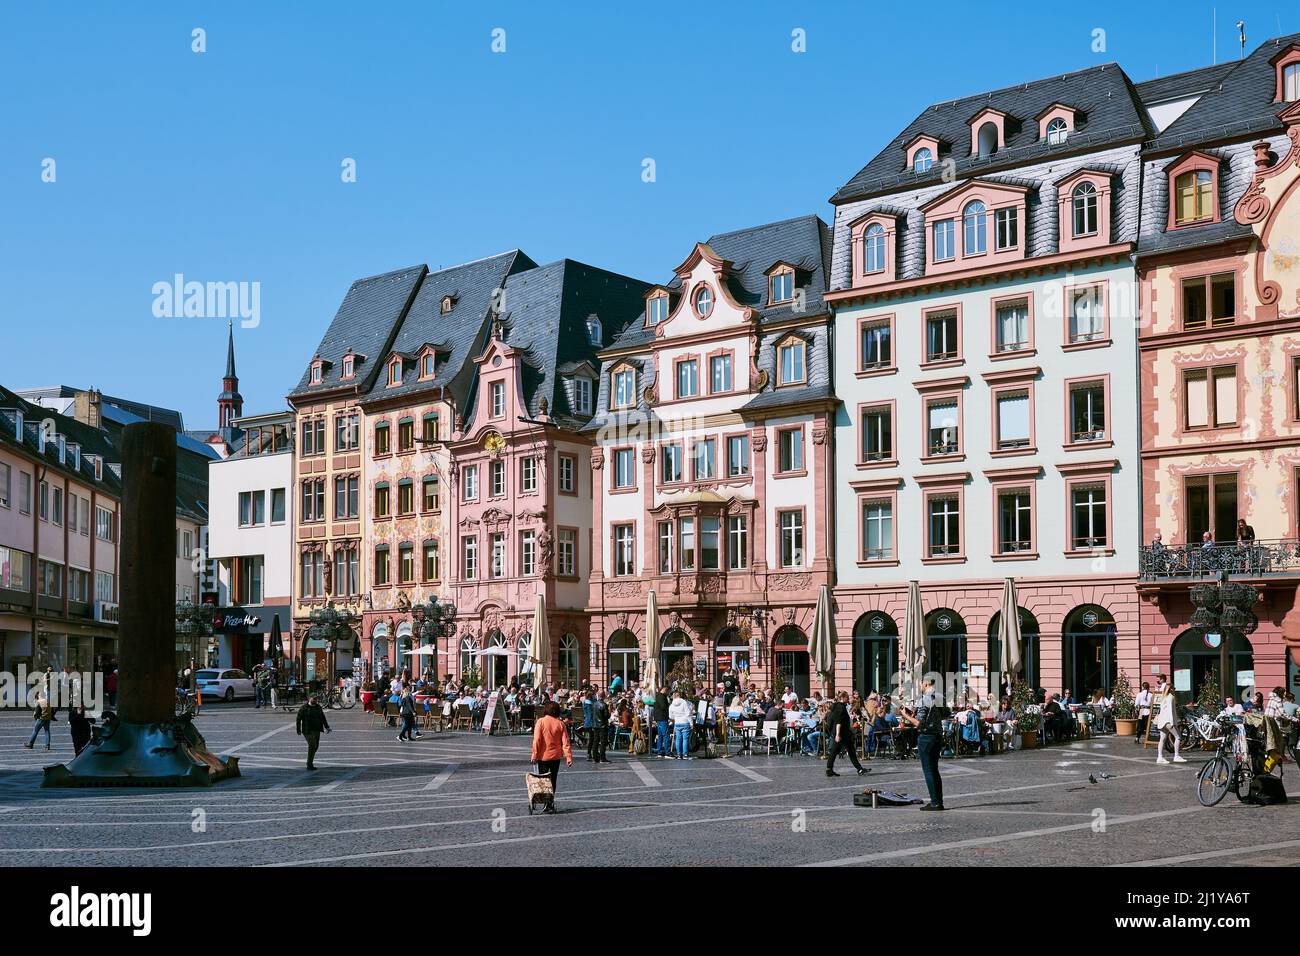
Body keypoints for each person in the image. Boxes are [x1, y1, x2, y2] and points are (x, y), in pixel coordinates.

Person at [901, 678, 948, 810]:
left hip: (926, 737)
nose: (920, 686)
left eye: (921, 684)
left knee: (928, 770)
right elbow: (945, 714)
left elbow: (918, 723)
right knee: (934, 770)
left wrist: (905, 715)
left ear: (926, 684)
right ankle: (939, 801)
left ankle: (935, 802)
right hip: (937, 736)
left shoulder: (924, 700)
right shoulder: (940, 698)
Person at [531, 701, 573, 813]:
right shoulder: (560, 724)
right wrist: (568, 757)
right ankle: (550, 802)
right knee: (553, 779)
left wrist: (534, 755)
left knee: (544, 779)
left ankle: (545, 802)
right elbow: (566, 742)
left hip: (543, 756)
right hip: (556, 756)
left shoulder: (540, 722)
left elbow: (537, 741)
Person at [824, 691, 869, 777]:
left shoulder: (836, 706)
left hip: (841, 733)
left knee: (834, 751)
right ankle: (859, 769)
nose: (848, 699)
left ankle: (829, 769)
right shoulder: (840, 707)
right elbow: (838, 722)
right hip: (842, 734)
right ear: (843, 698)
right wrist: (837, 734)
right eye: (847, 697)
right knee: (850, 751)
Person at [1153, 675, 1185, 765]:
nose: (1174, 690)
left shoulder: (1163, 697)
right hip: (1168, 721)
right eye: (1174, 688)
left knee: (1162, 739)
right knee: (1178, 737)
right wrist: (1172, 722)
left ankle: (1159, 757)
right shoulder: (1171, 697)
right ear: (1171, 689)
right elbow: (1170, 710)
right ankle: (1176, 756)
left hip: (1162, 721)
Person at [296, 694, 331, 770]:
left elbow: (322, 717)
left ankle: (310, 761)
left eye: (316, 699)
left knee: (316, 746)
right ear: (309, 698)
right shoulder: (303, 708)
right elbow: (298, 719)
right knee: (312, 745)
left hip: (317, 729)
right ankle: (309, 764)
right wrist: (298, 730)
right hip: (307, 730)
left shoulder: (318, 707)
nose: (315, 700)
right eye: (313, 699)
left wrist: (327, 727)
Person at [669, 690, 694, 760]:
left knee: (678, 739)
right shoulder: (684, 702)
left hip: (677, 723)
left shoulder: (672, 704)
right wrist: (691, 723)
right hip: (685, 722)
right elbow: (688, 713)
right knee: (685, 739)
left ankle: (679, 754)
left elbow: (670, 716)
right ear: (680, 696)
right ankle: (685, 754)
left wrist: (675, 718)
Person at [590, 690, 610, 764]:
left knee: (595, 742)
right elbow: (606, 716)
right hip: (602, 726)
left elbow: (592, 715)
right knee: (603, 742)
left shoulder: (594, 704)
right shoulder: (604, 705)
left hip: (595, 725)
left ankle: (595, 758)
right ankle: (602, 758)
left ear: (598, 695)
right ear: (604, 696)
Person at [652, 686, 671, 758]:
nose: (668, 693)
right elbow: (663, 707)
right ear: (665, 690)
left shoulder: (656, 695)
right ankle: (667, 752)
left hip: (658, 718)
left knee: (660, 736)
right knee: (666, 735)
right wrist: (668, 706)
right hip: (662, 717)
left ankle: (659, 752)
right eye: (668, 691)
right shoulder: (662, 696)